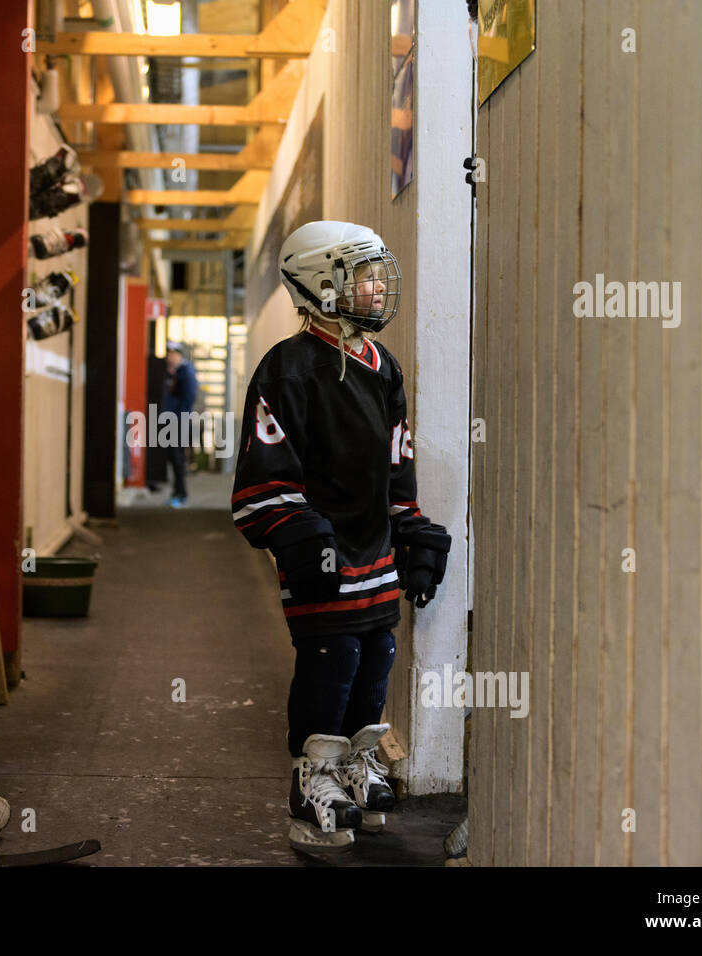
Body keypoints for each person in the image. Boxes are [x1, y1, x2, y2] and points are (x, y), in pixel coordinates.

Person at [230, 220, 451, 852]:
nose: (379, 287)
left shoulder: (384, 367)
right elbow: (261, 479)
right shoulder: (288, 369)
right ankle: (312, 776)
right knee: (335, 656)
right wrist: (299, 534)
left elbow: (396, 467)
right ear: (322, 284)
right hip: (322, 557)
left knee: (377, 651)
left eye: (381, 273)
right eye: (365, 275)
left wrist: (410, 529)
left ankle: (356, 760)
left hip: (373, 551)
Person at [163, 342, 198, 508]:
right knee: (173, 458)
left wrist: (179, 418)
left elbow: (189, 398)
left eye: (172, 354)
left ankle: (181, 494)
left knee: (177, 459)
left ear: (179, 355)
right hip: (171, 420)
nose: (169, 357)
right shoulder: (174, 373)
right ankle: (177, 491)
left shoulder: (186, 373)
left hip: (179, 421)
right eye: (168, 353)